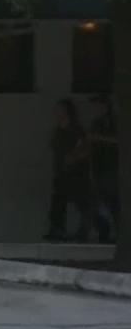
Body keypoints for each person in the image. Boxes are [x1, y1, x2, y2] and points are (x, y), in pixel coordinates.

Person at [46, 98, 94, 242]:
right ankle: (57, 229)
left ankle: (92, 228)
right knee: (58, 202)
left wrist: (74, 157)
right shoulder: (58, 130)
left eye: (60, 109)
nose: (57, 113)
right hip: (61, 172)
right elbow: (55, 147)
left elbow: (85, 148)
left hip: (75, 173)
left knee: (81, 202)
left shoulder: (76, 130)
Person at [89, 94, 119, 243]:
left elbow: (120, 140)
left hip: (111, 168)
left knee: (112, 201)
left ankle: (116, 233)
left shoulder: (113, 122)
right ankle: (104, 232)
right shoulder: (96, 123)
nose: (95, 109)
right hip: (99, 168)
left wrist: (100, 138)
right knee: (99, 202)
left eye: (98, 106)